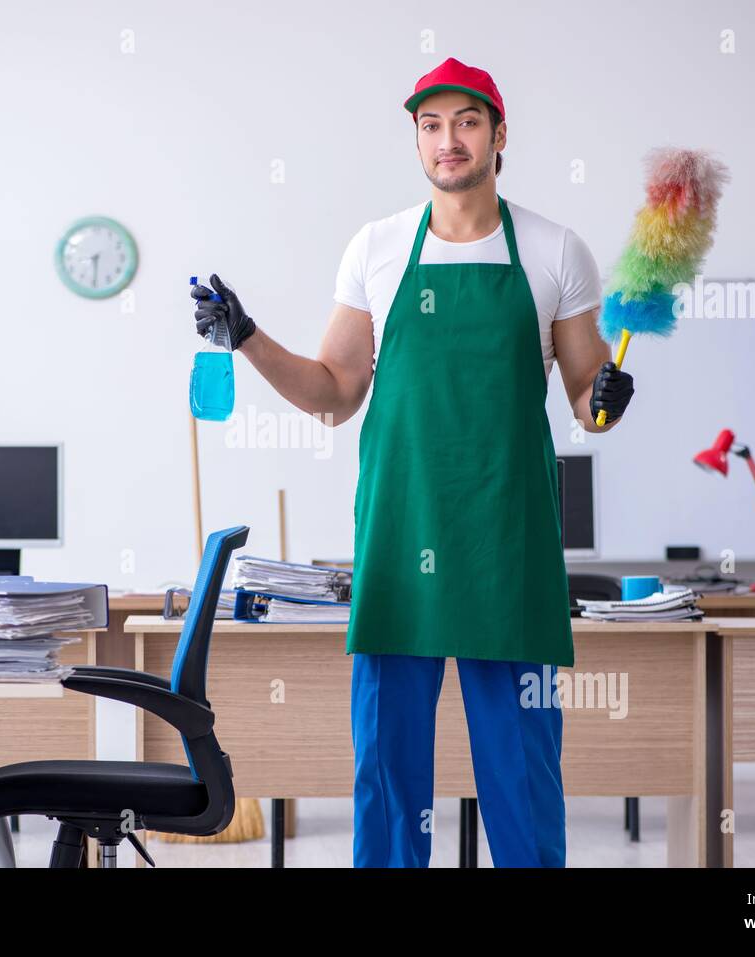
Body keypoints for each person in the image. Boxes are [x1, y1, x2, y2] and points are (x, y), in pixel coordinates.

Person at [190, 56, 634, 867]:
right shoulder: (380, 247)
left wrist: (606, 396)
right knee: (388, 773)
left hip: (510, 544)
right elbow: (333, 394)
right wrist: (248, 337)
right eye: (431, 125)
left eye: (466, 121)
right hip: (403, 541)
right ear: (418, 140)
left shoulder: (554, 250)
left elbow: (584, 404)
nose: (448, 140)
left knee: (524, 768)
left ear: (500, 134)